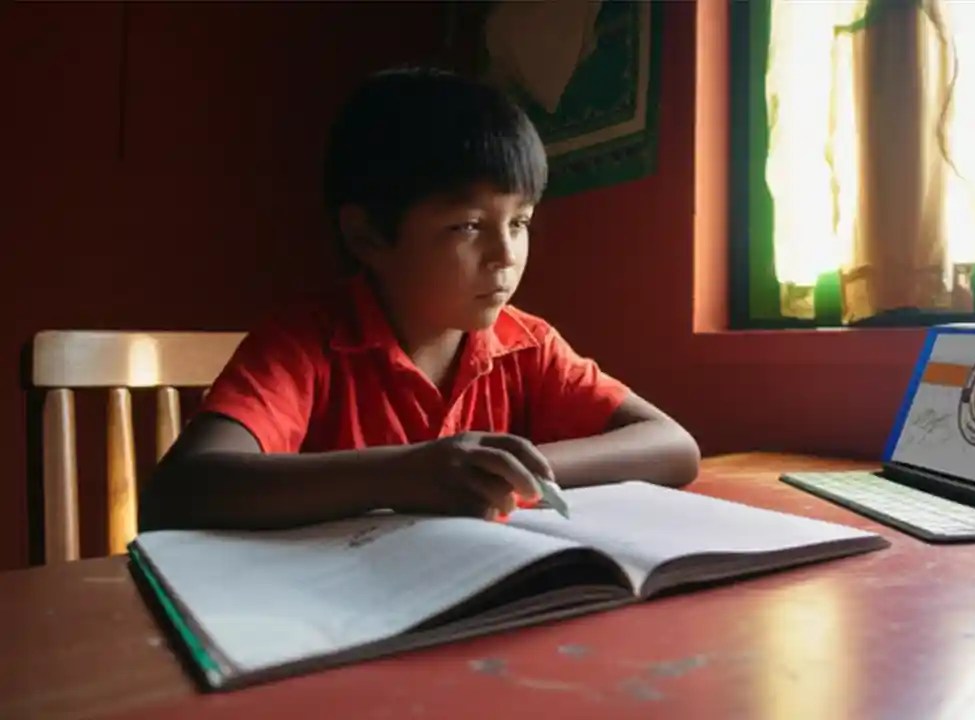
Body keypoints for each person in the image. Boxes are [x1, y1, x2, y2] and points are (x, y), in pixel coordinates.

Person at [140, 67, 700, 531]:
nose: (505, 255)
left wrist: (500, 470)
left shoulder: (524, 345)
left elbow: (673, 446)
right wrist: (402, 474)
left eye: (521, 222)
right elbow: (184, 489)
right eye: (466, 227)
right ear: (367, 237)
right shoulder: (308, 343)